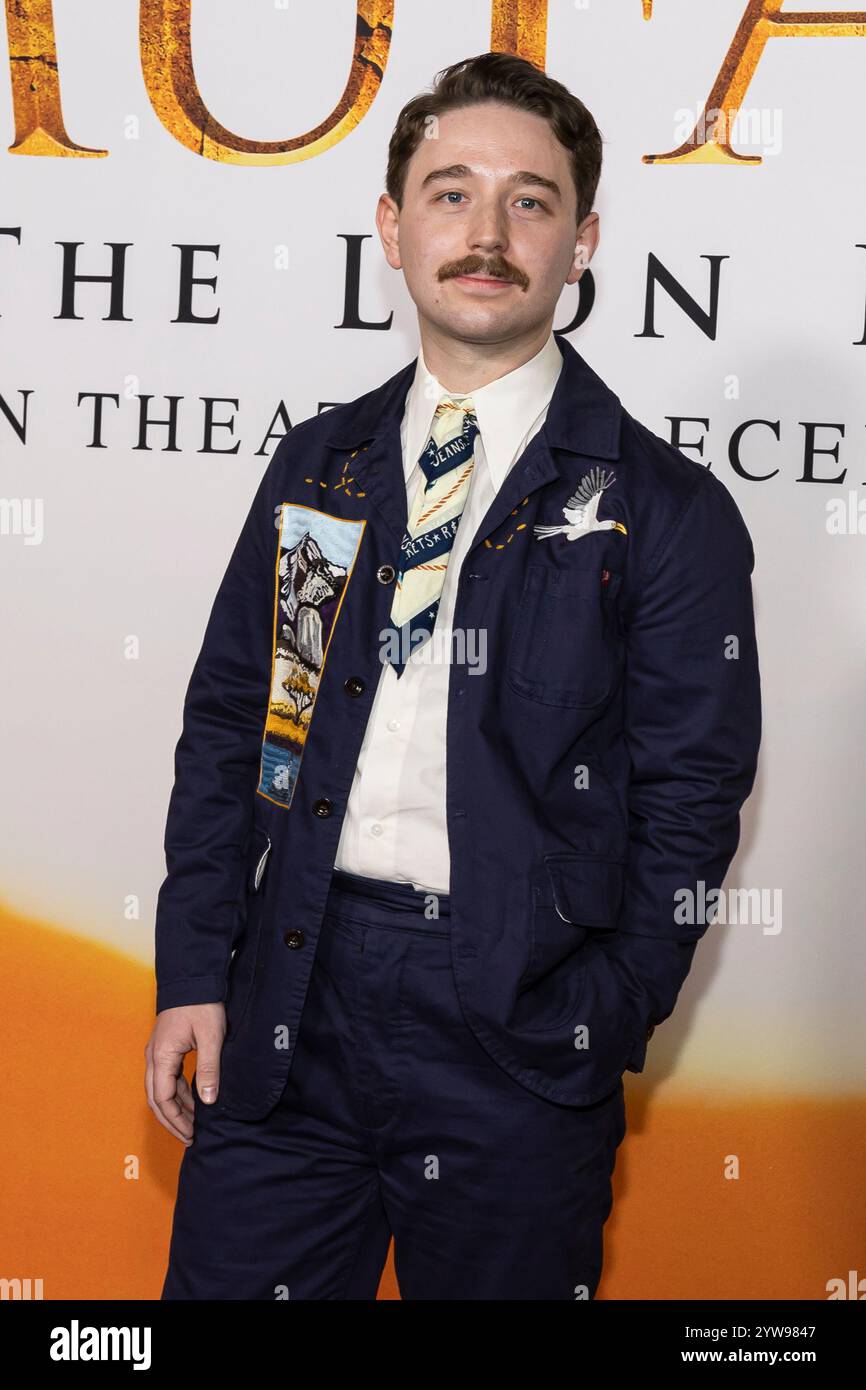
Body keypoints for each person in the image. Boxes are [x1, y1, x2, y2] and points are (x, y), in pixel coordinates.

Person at [146, 51, 761, 1300]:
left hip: (517, 1031)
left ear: (582, 239)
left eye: (529, 201)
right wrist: (196, 972)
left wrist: (602, 1011)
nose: (486, 233)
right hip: (288, 999)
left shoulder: (666, 509)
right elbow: (234, 719)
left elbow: (693, 801)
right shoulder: (322, 465)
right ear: (391, 225)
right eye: (449, 192)